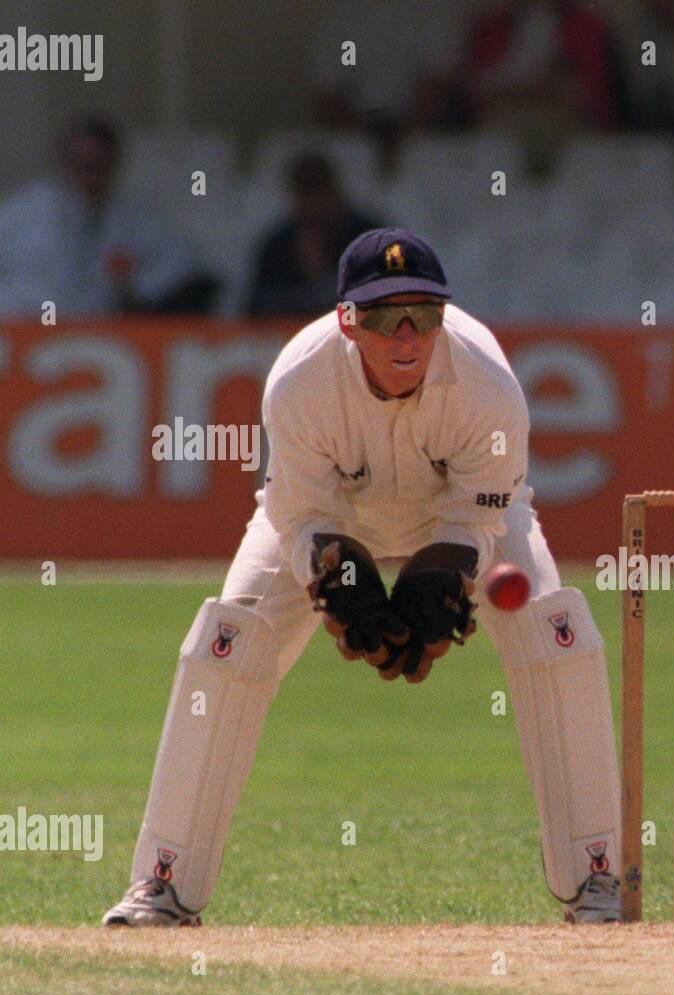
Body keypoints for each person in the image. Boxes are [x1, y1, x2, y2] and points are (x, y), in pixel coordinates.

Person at [102, 228, 621, 927]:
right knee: (227, 643)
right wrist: (339, 582)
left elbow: (478, 516)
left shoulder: (488, 384)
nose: (406, 337)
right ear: (348, 320)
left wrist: (442, 576)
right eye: (382, 318)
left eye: (424, 316)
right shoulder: (300, 380)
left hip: (461, 519)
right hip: (330, 514)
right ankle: (161, 885)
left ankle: (598, 879)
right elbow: (302, 516)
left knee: (555, 632)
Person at [0, 115, 216, 317]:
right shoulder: (25, 210)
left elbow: (182, 264)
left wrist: (136, 284)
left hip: (101, 332)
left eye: (97, 163)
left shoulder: (134, 216)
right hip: (26, 326)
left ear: (113, 162)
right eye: (82, 163)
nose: (89, 173)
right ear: (64, 160)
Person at [247, 152, 379, 318]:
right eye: (305, 193)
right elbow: (257, 308)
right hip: (291, 337)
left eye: (319, 191)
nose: (314, 204)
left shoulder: (368, 239)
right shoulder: (278, 245)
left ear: (334, 190)